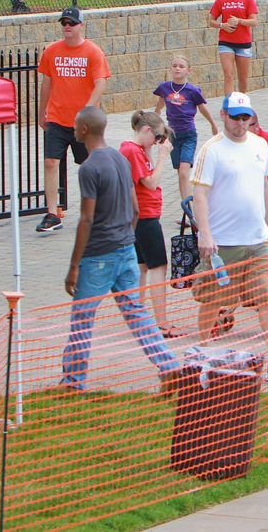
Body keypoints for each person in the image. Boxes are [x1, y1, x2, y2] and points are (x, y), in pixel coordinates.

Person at [60, 107, 181, 393]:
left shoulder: (90, 167)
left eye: (76, 125)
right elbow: (136, 208)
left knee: (83, 316)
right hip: (126, 248)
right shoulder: (119, 158)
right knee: (136, 312)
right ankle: (169, 367)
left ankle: (73, 382)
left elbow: (86, 219)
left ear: (85, 130)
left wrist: (74, 265)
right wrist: (127, 236)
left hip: (98, 254)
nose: (74, 130)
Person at [191, 93, 268, 385]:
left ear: (251, 118)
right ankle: (198, 354)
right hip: (223, 244)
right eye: (235, 117)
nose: (240, 123)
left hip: (258, 243)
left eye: (245, 118)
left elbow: (263, 189)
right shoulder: (211, 150)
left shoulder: (260, 145)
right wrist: (205, 234)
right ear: (223, 115)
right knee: (214, 302)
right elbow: (199, 194)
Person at [36, 7, 111, 233]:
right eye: (64, 22)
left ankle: (96, 210)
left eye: (71, 22)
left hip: (83, 123)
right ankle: (52, 213)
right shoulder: (52, 51)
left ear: (81, 25)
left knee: (88, 165)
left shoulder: (92, 52)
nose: (67, 26)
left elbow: (101, 82)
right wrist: (42, 112)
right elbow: (47, 82)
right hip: (58, 117)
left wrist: (88, 109)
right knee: (51, 162)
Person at [121, 110, 183, 338]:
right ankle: (162, 321)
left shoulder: (134, 150)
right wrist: (162, 157)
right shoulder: (132, 151)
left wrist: (149, 150)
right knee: (158, 267)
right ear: (147, 131)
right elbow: (150, 182)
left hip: (142, 216)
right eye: (157, 137)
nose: (158, 143)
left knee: (142, 267)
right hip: (144, 217)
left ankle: (139, 317)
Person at [154, 54, 218, 209]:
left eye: (181, 66)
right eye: (175, 65)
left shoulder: (192, 90)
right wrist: (156, 122)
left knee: (184, 172)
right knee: (180, 173)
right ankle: (186, 209)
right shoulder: (165, 87)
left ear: (188, 71)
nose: (177, 68)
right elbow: (160, 105)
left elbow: (203, 108)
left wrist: (213, 125)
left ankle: (192, 208)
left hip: (188, 134)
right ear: (170, 68)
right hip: (172, 135)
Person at [209, 0, 259, 96]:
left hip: (243, 42)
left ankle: (241, 102)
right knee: (228, 75)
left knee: (243, 78)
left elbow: (254, 21)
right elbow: (211, 21)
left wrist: (239, 21)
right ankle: (228, 104)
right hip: (226, 42)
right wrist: (222, 25)